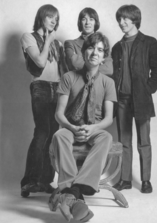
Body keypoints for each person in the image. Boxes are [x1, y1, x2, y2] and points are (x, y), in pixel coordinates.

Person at [49, 32, 117, 222]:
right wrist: (72, 127)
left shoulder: (108, 83)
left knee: (107, 137)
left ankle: (74, 192)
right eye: (90, 47)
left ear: (104, 57)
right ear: (84, 51)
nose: (95, 52)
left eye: (100, 50)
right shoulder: (68, 77)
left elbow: (109, 118)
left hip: (94, 127)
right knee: (59, 136)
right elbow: (59, 114)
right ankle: (73, 193)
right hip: (71, 125)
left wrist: (93, 129)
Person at [111, 5, 157, 193]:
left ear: (135, 19)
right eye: (119, 19)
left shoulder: (149, 42)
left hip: (141, 99)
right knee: (123, 141)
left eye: (125, 18)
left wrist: (147, 89)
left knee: (144, 141)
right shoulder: (116, 47)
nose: (121, 22)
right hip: (122, 101)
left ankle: (145, 180)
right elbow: (112, 75)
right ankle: (125, 179)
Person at [20, 4, 68, 198]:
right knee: (42, 132)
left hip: (57, 88)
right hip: (40, 86)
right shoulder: (28, 37)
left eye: (56, 18)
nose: (53, 21)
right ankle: (29, 181)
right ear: (41, 17)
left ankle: (45, 181)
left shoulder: (57, 43)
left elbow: (62, 69)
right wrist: (49, 39)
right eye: (50, 17)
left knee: (53, 135)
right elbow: (40, 62)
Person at [64, 7, 113, 75]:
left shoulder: (103, 43)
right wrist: (98, 64)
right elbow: (74, 64)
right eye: (84, 19)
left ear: (95, 22)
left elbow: (109, 69)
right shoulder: (70, 43)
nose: (87, 22)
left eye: (91, 19)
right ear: (80, 22)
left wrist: (80, 61)